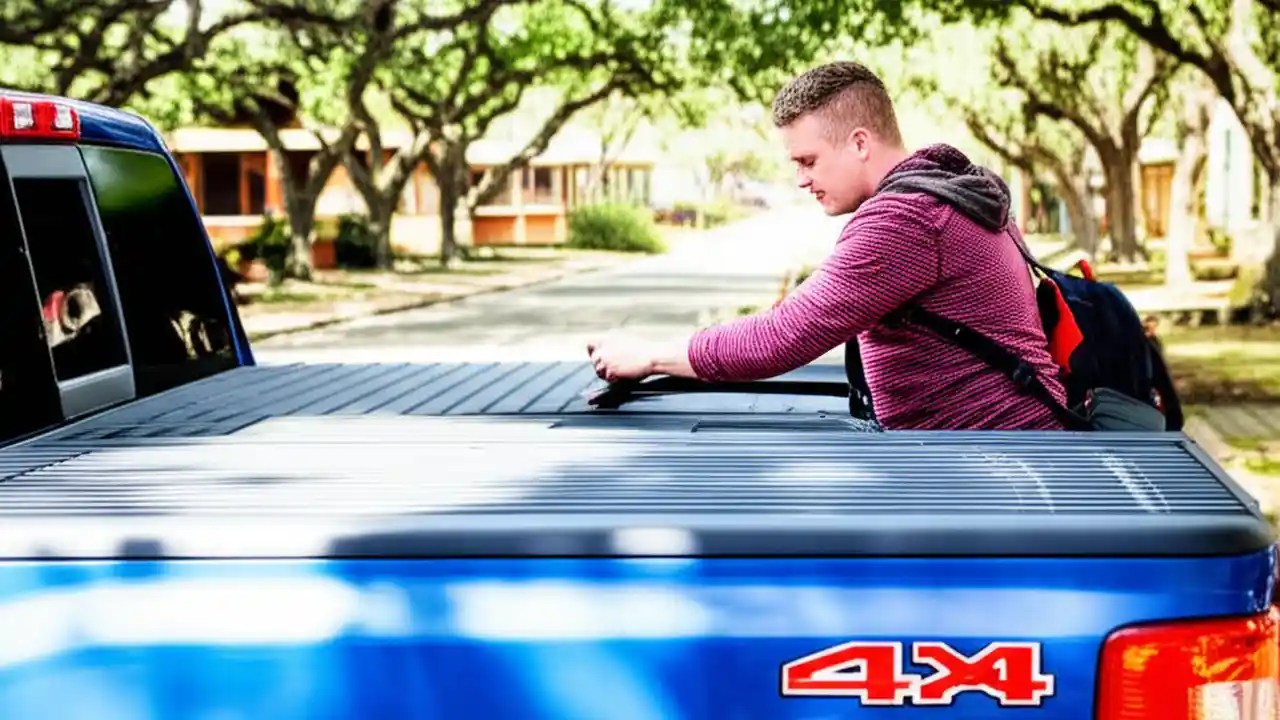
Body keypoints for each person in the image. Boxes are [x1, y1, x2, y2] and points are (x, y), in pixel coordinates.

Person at [586, 61, 1066, 431]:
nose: (800, 180)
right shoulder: (954, 188)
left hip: (991, 466)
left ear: (860, 143)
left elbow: (780, 337)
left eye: (809, 161)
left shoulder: (910, 219)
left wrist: (650, 355)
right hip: (1003, 442)